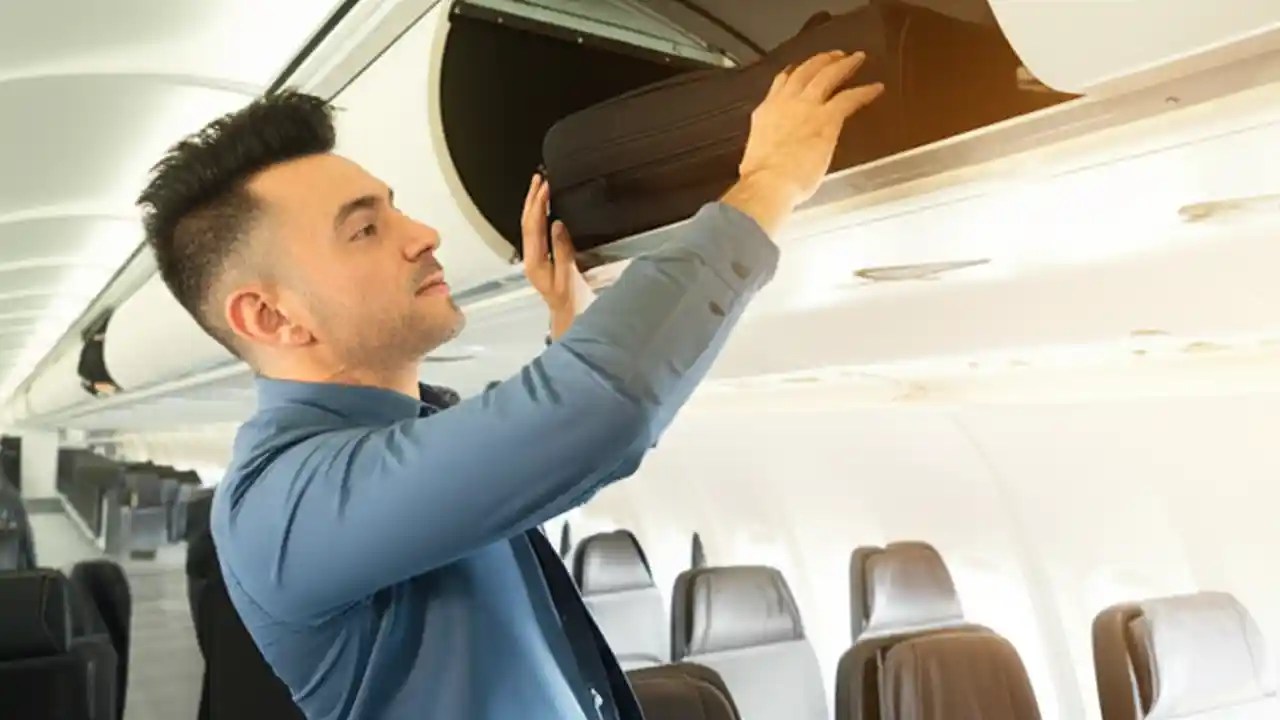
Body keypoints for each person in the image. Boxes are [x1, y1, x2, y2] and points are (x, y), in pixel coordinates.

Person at [136, 49, 882, 720]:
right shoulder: (279, 506)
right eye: (365, 229)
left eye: (395, 207)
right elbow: (590, 412)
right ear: (270, 316)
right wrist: (769, 183)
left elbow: (532, 458)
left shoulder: (411, 429)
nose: (423, 234)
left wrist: (569, 331)